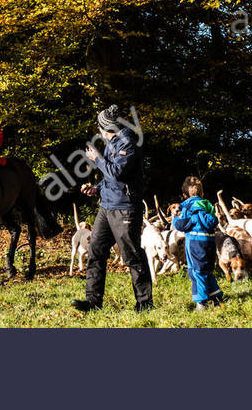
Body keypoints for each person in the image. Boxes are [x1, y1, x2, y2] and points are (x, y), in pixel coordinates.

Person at [71, 104, 153, 313]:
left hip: (125, 208)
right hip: (107, 206)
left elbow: (117, 172)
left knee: (132, 256)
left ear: (105, 128)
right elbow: (110, 178)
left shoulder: (128, 143)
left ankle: (144, 303)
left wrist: (96, 159)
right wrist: (96, 189)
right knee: (95, 251)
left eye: (99, 127)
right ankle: (92, 301)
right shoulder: (113, 142)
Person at [172, 175, 224, 310]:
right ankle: (216, 295)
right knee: (207, 269)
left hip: (195, 243)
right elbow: (212, 221)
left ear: (184, 195)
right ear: (202, 193)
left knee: (196, 271)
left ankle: (201, 302)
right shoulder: (208, 205)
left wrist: (174, 220)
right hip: (210, 242)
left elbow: (183, 225)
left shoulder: (188, 206)